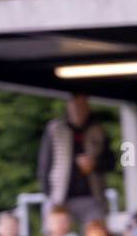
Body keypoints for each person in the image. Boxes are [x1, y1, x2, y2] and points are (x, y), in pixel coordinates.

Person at [37, 93, 114, 226]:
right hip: (60, 197)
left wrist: (94, 164)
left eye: (82, 106)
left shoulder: (98, 130)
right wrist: (48, 194)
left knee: (97, 235)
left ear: (88, 108)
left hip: (91, 197)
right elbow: (44, 164)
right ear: (68, 107)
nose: (78, 111)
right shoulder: (55, 129)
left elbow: (111, 162)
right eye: (74, 107)